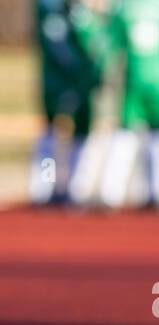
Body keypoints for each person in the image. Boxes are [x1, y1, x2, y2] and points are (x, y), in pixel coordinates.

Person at [100, 0, 159, 208]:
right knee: (130, 135)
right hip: (145, 81)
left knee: (158, 135)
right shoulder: (126, 7)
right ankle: (116, 193)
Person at [30, 0, 108, 205]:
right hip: (57, 83)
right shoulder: (50, 10)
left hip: (82, 83)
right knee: (50, 133)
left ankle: (77, 188)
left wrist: (94, 75)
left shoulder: (83, 14)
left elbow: (98, 45)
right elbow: (58, 47)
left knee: (81, 133)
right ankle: (45, 187)